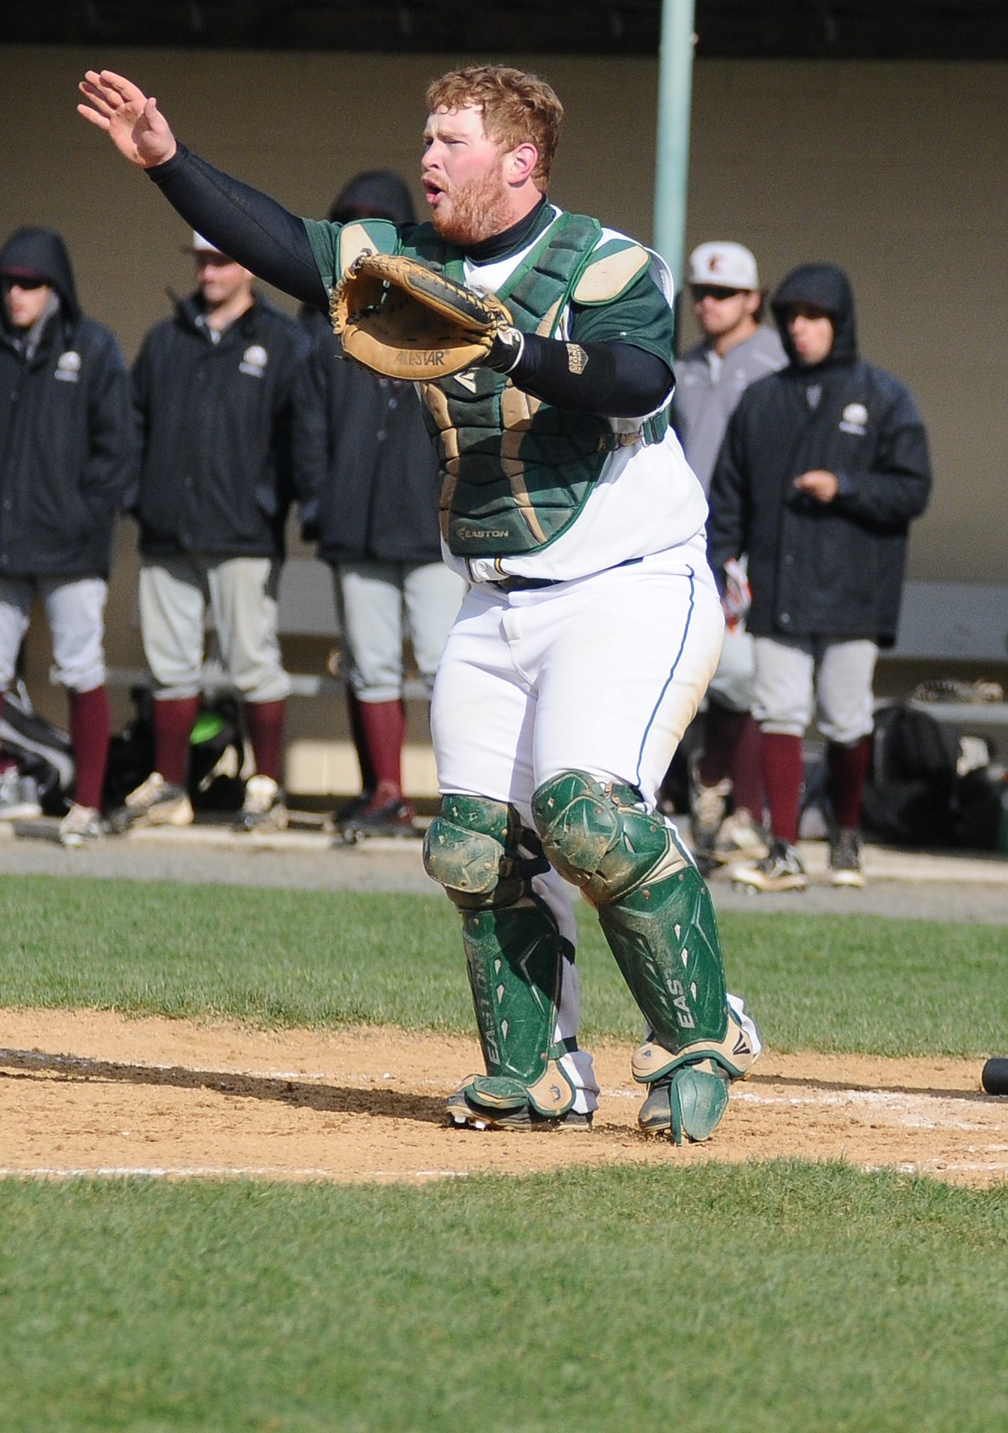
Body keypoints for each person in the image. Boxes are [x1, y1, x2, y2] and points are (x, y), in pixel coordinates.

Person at [77, 64, 760, 1143]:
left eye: (452, 141)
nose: (428, 159)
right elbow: (279, 241)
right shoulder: (412, 256)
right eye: (427, 138)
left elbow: (638, 379)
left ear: (520, 159)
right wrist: (167, 156)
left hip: (629, 584)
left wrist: (512, 346)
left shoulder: (603, 257)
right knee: (472, 843)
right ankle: (537, 1071)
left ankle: (695, 1039)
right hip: (495, 596)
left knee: (587, 816)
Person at [708, 262, 932, 891]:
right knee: (778, 711)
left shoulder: (885, 396)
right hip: (777, 589)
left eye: (814, 318)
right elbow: (728, 495)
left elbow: (913, 489)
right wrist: (721, 563)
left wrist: (846, 487)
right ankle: (783, 846)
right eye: (792, 318)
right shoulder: (762, 400)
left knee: (845, 718)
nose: (801, 330)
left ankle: (847, 836)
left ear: (840, 322)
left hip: (854, 590)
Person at [0, 226, 134, 846]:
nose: (16, 294)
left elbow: (118, 450)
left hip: (69, 548)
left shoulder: (95, 348)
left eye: (29, 283)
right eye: (7, 283)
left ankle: (85, 807)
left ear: (55, 288)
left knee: (80, 667)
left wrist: (83, 517)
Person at [115, 230, 307, 834]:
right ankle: (172, 788)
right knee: (170, 666)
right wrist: (139, 498)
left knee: (253, 661)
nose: (208, 273)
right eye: (200, 261)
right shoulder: (165, 339)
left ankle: (266, 787)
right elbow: (131, 426)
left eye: (220, 260)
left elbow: (298, 443)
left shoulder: (282, 343)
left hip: (243, 534)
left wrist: (266, 504)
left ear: (247, 268)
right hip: (169, 531)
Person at [296, 170, 464, 839]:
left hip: (428, 530)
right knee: (369, 662)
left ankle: (464, 799)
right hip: (353, 527)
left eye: (374, 220)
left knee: (446, 665)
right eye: (350, 219)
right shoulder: (322, 322)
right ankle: (386, 792)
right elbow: (306, 432)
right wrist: (322, 501)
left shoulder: (445, 306)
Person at [673, 241, 786, 869]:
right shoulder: (684, 366)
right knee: (700, 674)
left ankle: (741, 804)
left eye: (723, 294)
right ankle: (707, 799)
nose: (708, 304)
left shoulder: (774, 362)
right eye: (700, 293)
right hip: (686, 538)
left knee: (742, 674)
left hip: (745, 541)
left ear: (752, 300)